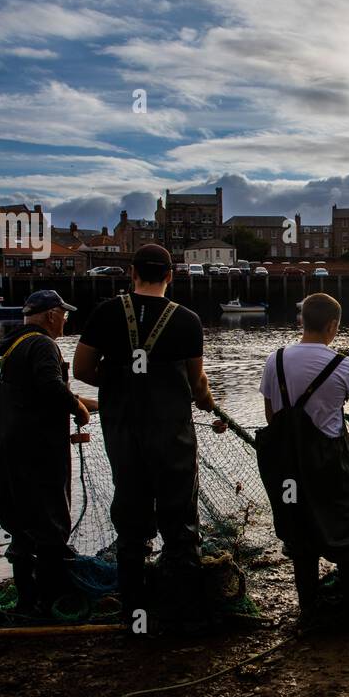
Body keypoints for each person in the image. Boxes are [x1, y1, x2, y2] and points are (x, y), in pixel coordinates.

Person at [72, 244, 216, 622]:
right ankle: (184, 611)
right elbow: (195, 379)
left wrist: (123, 379)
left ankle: (134, 611)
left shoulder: (106, 312)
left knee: (132, 517)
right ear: (171, 275)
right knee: (180, 519)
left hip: (123, 431)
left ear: (132, 273)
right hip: (172, 435)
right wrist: (205, 398)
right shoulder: (187, 320)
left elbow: (82, 370)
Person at [255, 292, 349, 624]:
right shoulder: (344, 366)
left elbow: (271, 417)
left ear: (301, 321)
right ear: (333, 325)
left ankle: (309, 609)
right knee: (348, 527)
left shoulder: (273, 360)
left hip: (285, 465)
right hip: (330, 463)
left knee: (299, 530)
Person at [0, 289, 97, 613]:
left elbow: (42, 390)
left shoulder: (14, 346)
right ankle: (52, 598)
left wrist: (93, 403)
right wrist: (79, 412)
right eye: (63, 314)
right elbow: (52, 388)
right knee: (49, 520)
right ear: (51, 314)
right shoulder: (43, 345)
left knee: (22, 522)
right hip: (38, 450)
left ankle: (27, 597)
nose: (65, 319)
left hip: (9, 447)